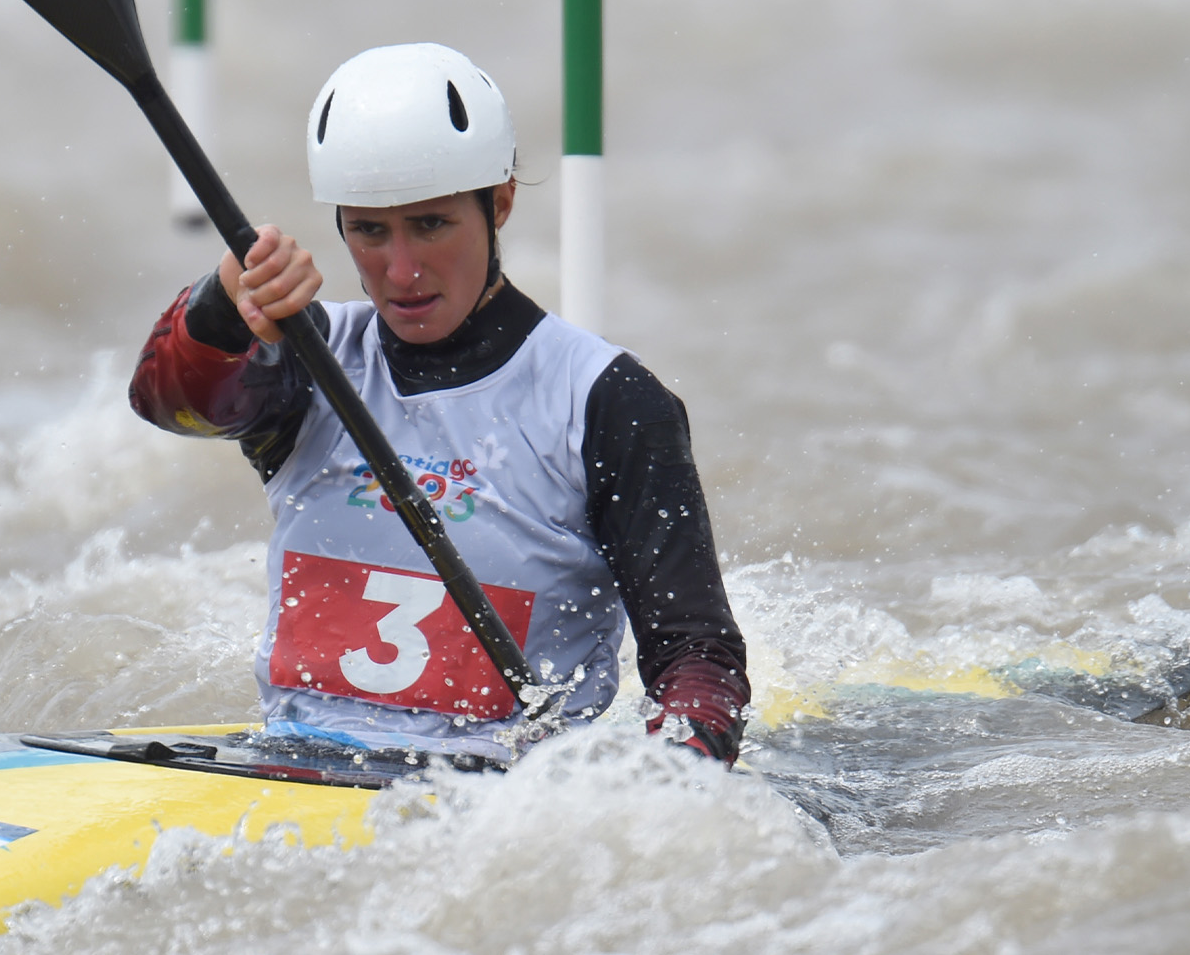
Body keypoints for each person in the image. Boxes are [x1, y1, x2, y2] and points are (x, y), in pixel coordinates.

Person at [128, 43, 748, 764]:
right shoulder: (309, 360)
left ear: (502, 201)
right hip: (293, 768)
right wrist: (221, 307)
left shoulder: (607, 401)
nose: (401, 270)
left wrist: (671, 776)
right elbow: (166, 401)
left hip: (487, 806)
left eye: (431, 224)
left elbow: (696, 658)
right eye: (368, 230)